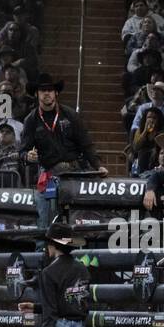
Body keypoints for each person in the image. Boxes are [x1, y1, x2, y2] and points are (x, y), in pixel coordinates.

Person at [19, 73, 106, 231]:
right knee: (46, 216)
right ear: (36, 94)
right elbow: (22, 151)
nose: (47, 93)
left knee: (78, 217)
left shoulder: (70, 115)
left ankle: (73, 250)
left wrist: (98, 165)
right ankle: (45, 251)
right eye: (43, 90)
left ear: (56, 93)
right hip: (50, 174)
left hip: (75, 172)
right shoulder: (31, 120)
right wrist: (27, 156)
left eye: (50, 90)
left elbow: (86, 143)